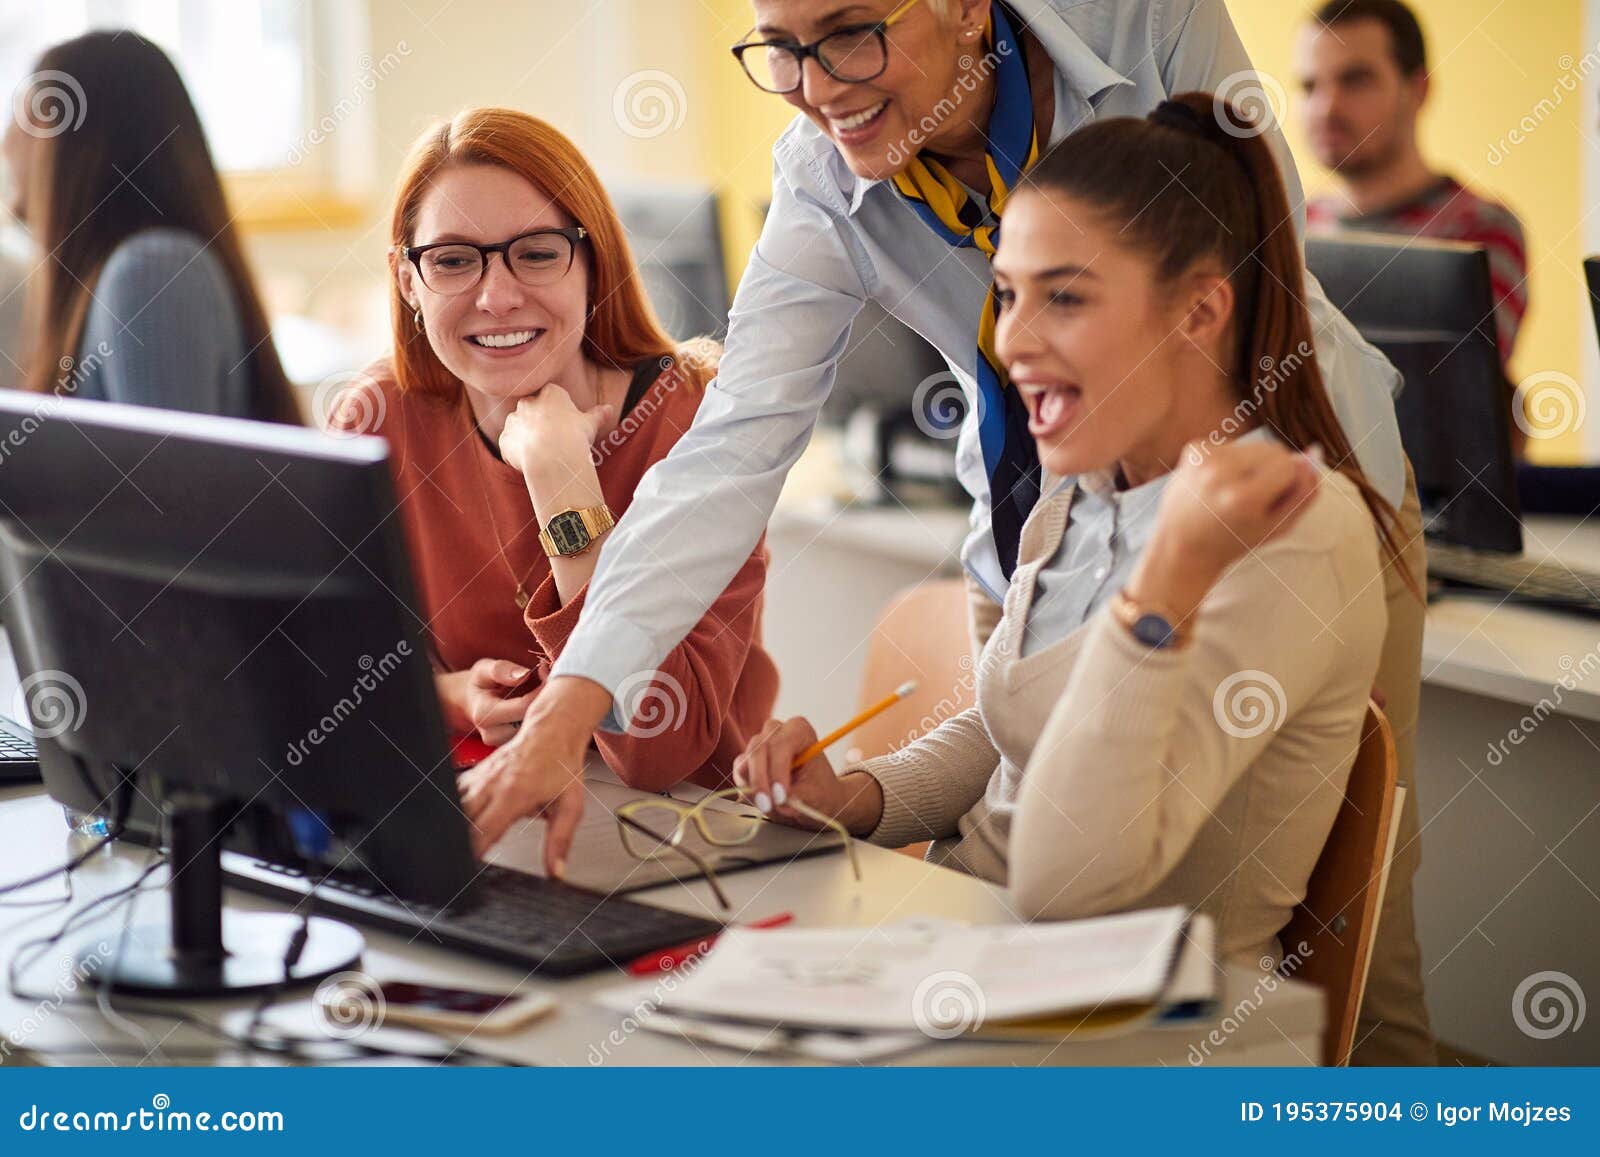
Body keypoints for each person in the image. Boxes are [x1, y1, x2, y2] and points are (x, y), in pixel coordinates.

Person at [461, 0, 1433, 1065]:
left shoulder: (1145, 20)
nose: (816, 84)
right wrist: (576, 712)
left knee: (1351, 959)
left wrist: (1168, 573)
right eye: (779, 49)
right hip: (1065, 493)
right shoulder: (829, 183)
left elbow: (1252, 272)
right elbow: (732, 450)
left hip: (1266, 488)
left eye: (848, 34)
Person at [732, 92, 1407, 970]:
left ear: (1200, 311)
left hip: (1142, 1037)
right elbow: (1007, 731)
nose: (1013, 340)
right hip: (972, 965)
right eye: (1008, 295)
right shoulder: (1084, 476)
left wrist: (1158, 591)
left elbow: (1068, 880)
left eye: (1066, 298)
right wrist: (855, 796)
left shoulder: (1292, 530)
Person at [330, 109, 778, 836]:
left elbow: (656, 749)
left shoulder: (692, 421)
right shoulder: (381, 417)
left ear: (592, 259)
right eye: (451, 260)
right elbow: (319, 671)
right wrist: (450, 694)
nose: (497, 295)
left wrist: (564, 490)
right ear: (406, 280)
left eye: (536, 253)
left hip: (681, 840)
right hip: (490, 818)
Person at [2, 31, 298, 420]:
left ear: (87, 146)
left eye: (29, 117)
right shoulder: (122, 274)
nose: (8, 142)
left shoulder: (151, 272)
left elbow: (169, 479)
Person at [1297, 0, 1528, 370]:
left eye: (1355, 80)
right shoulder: (1290, 226)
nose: (1326, 108)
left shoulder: (1480, 231)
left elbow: (1455, 384)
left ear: (1417, 89)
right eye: (1310, 86)